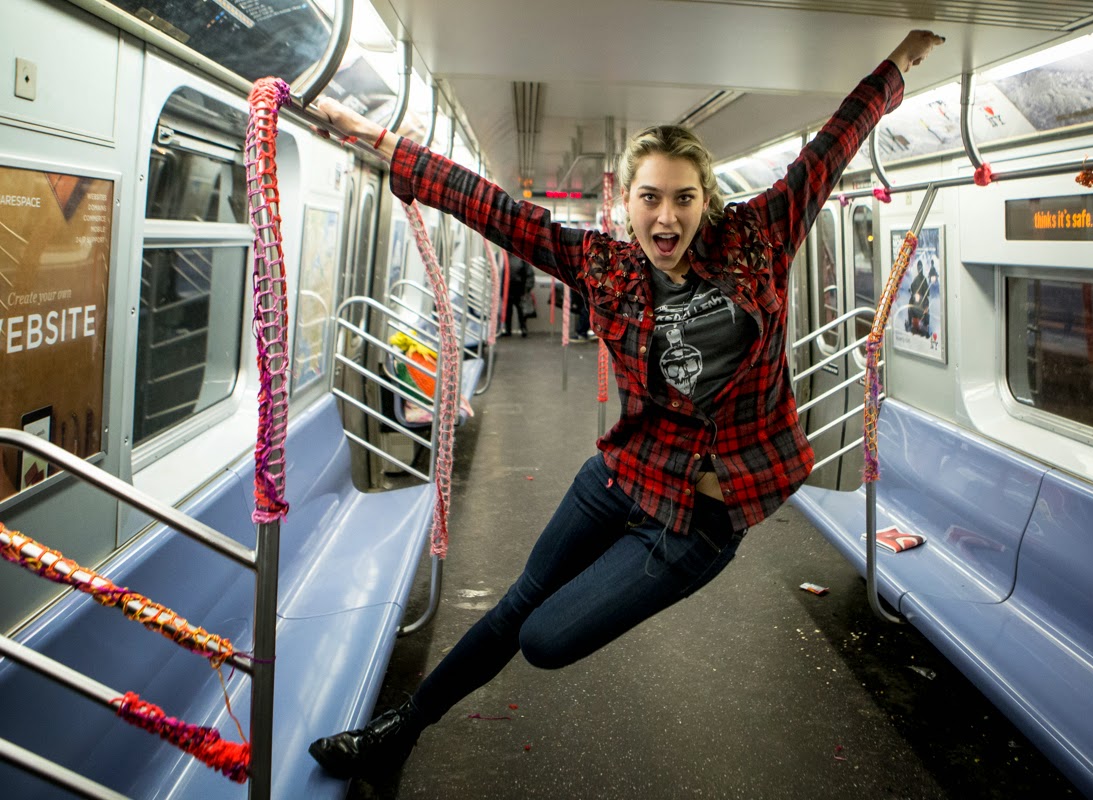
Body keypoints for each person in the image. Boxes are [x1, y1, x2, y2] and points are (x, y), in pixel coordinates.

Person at [308, 29, 944, 780]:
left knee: (543, 639)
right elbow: (500, 213)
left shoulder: (762, 233)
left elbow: (836, 141)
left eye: (683, 198)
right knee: (516, 606)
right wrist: (383, 143)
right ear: (629, 201)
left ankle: (411, 724)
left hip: (700, 520)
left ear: (706, 200)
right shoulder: (602, 262)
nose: (665, 219)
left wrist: (897, 64)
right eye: (650, 198)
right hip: (624, 473)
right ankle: (400, 733)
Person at [502, 254, 534, 337]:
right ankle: (508, 329)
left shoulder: (522, 258)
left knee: (521, 310)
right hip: (508, 287)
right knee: (508, 311)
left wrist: (527, 288)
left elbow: (529, 274)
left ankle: (523, 328)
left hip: (519, 288)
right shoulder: (505, 257)